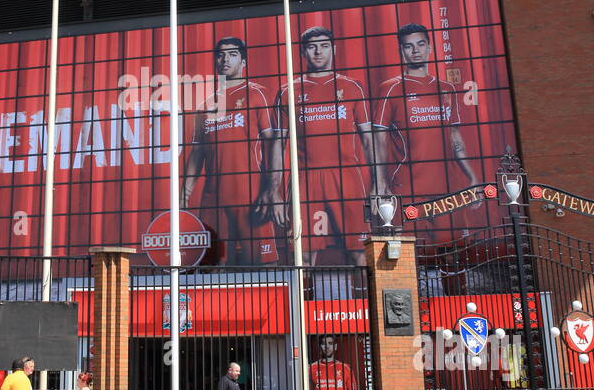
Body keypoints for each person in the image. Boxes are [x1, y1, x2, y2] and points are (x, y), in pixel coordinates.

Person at [263, 25, 384, 264]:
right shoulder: (288, 91)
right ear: (303, 53)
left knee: (360, 252)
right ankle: (304, 302)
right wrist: (275, 192)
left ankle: (363, 302)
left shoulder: (352, 87)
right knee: (303, 255)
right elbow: (278, 145)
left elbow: (369, 141)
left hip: (347, 177)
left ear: (334, 49)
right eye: (312, 47)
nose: (318, 52)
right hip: (305, 180)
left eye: (324, 46)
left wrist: (378, 185)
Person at [180, 37, 279, 265]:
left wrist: (271, 189)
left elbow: (273, 143)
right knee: (212, 264)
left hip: (250, 195)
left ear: (243, 61)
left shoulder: (257, 94)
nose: (225, 59)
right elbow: (197, 154)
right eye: (221, 54)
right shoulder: (206, 104)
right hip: (213, 198)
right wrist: (185, 194)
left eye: (232, 54)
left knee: (263, 265)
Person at [375, 23, 480, 238]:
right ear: (401, 51)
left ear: (430, 47)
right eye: (408, 46)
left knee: (453, 250)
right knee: (405, 252)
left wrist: (472, 178)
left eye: (420, 44)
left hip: (447, 187)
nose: (415, 51)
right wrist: (380, 183)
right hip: (407, 186)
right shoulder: (391, 88)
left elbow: (455, 138)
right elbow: (379, 139)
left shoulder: (446, 89)